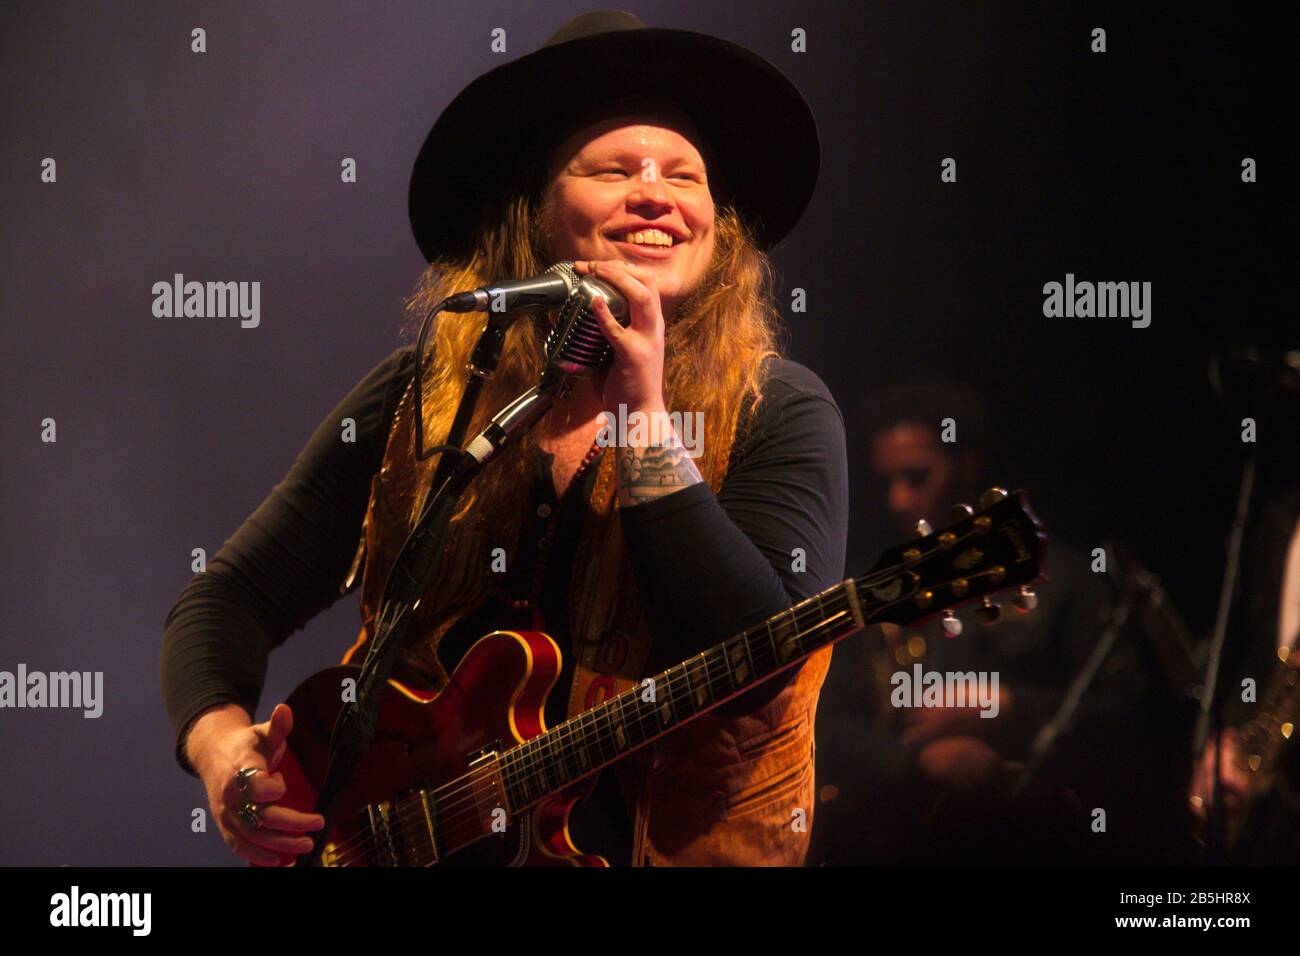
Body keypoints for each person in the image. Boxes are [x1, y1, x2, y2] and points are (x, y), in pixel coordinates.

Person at [160, 11, 847, 867]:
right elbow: (223, 598)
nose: (657, 195)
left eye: (686, 176)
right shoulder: (427, 396)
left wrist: (643, 418)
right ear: (534, 212)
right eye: (612, 169)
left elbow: (756, 659)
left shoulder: (775, 406)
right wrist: (222, 747)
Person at [811, 381, 1189, 863]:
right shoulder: (873, 584)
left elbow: (1129, 714)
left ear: (967, 465)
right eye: (886, 482)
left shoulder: (1063, 578)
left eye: (916, 476)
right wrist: (915, 761)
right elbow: (823, 722)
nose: (898, 501)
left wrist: (1009, 706)